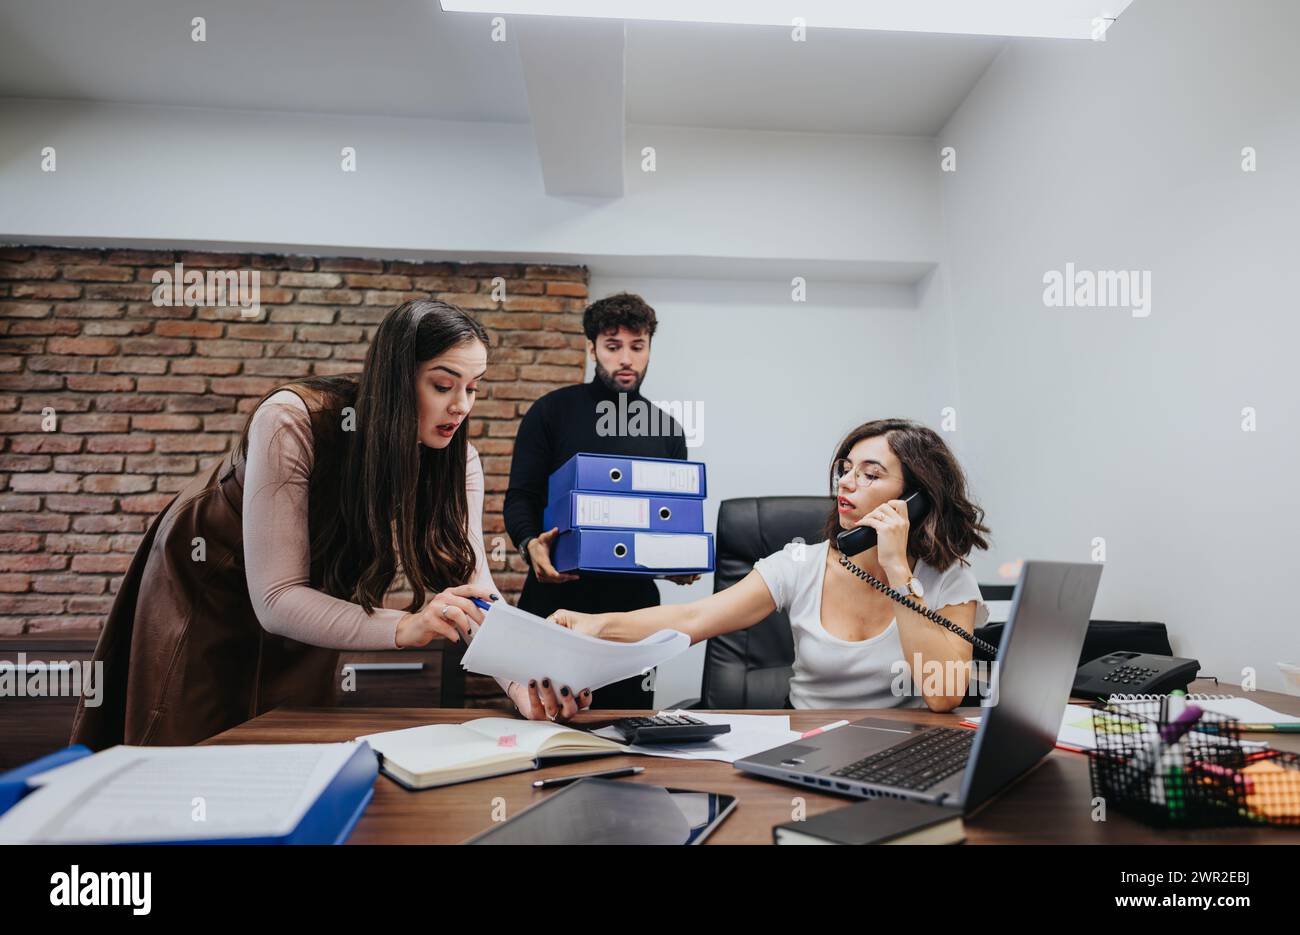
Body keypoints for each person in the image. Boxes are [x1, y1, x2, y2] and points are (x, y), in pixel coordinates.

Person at [70, 299, 570, 747]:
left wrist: (524, 683)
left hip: (311, 596)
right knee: (190, 742)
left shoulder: (458, 462)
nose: (461, 406)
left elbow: (474, 590)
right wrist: (407, 625)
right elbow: (276, 599)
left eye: (473, 388)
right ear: (396, 378)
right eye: (443, 385)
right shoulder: (293, 420)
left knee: (290, 741)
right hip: (206, 586)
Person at [548, 419, 992, 711]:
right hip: (805, 745)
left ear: (915, 499)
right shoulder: (801, 564)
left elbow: (943, 695)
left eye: (871, 474)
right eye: (845, 468)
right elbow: (694, 617)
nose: (846, 482)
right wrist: (593, 625)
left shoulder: (948, 578)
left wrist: (898, 570)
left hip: (902, 753)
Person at [504, 292, 696, 711]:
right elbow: (520, 497)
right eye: (612, 346)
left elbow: (671, 518)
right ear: (592, 348)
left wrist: (679, 560)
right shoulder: (550, 412)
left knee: (626, 729)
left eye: (637, 346)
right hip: (556, 604)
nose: (626, 358)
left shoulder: (667, 430)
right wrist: (528, 543)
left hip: (635, 614)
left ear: (649, 348)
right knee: (540, 721)